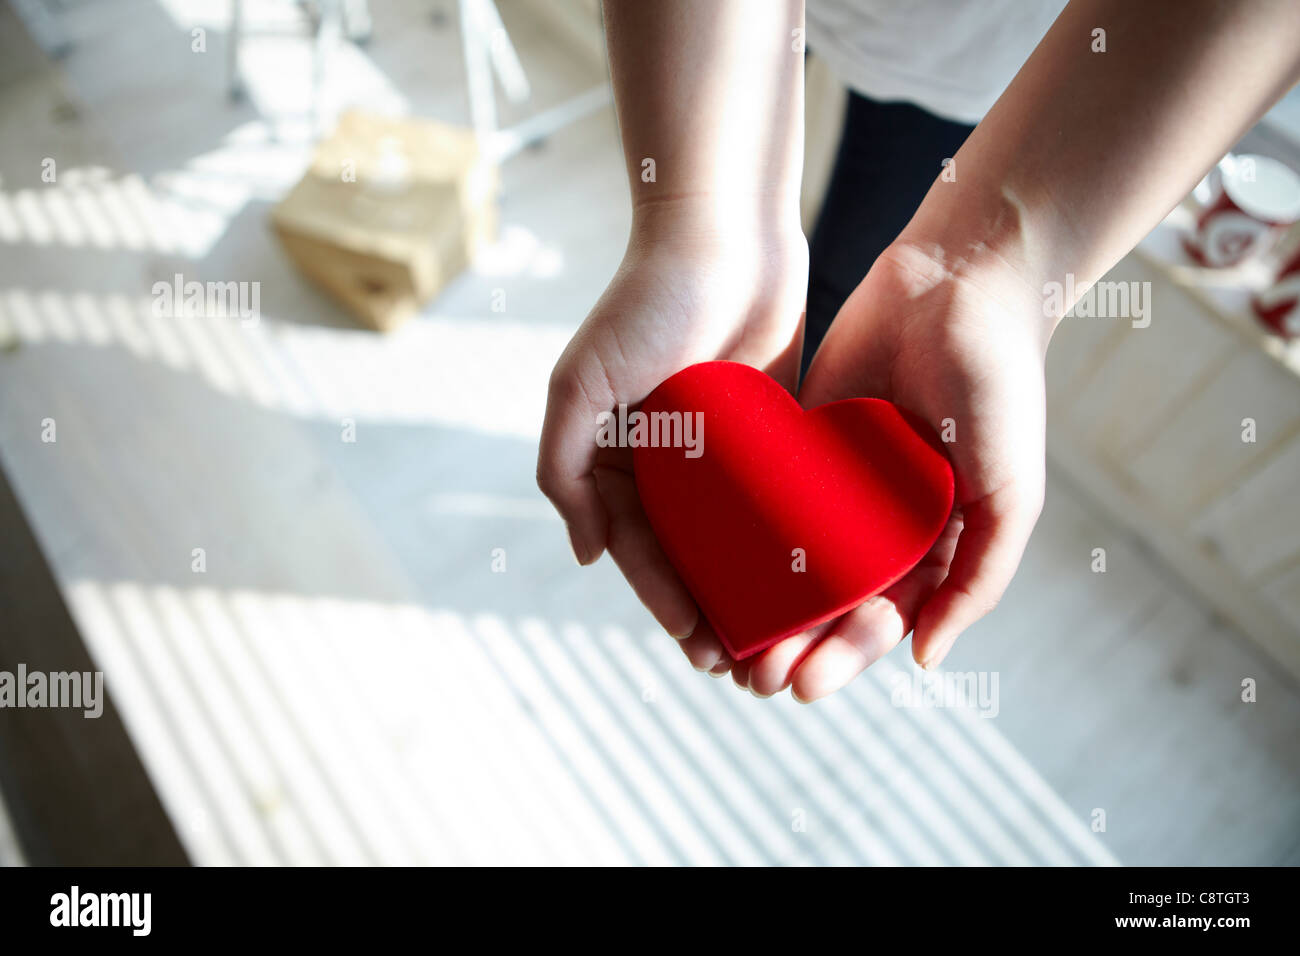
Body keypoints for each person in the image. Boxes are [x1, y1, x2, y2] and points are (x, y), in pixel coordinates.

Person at [536, 0, 1300, 702]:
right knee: (807, 332)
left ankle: (796, 480)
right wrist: (703, 221)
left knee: (850, 294)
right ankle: (782, 469)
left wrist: (996, 272)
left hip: (999, 63)